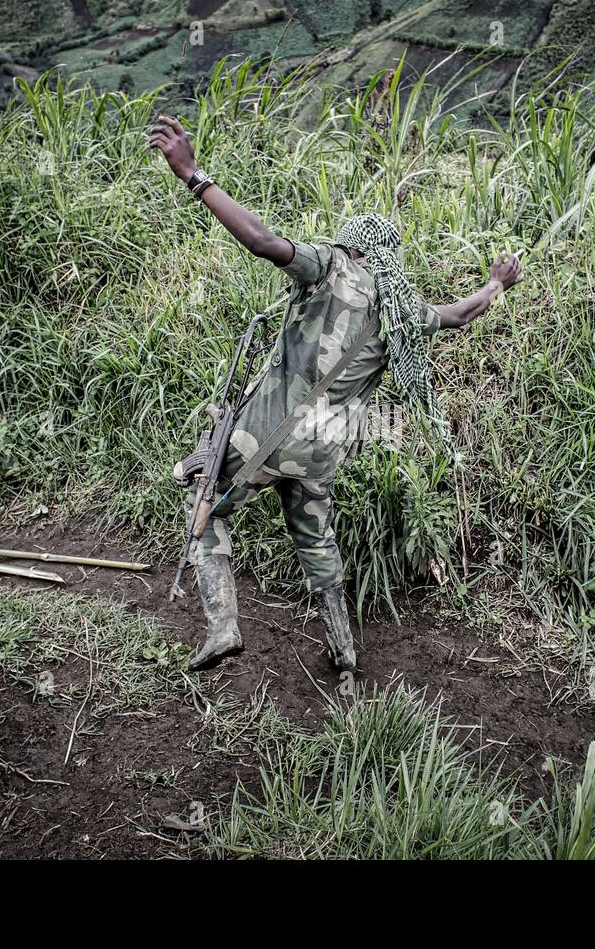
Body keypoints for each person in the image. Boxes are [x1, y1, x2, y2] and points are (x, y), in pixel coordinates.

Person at [149, 114, 524, 672]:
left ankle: (224, 627)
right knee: (317, 542)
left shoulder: (330, 266)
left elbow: (262, 240)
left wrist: (194, 175)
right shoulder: (402, 310)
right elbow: (461, 314)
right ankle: (344, 651)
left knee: (205, 503)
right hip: (323, 452)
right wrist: (497, 281)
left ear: (353, 241)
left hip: (267, 438)